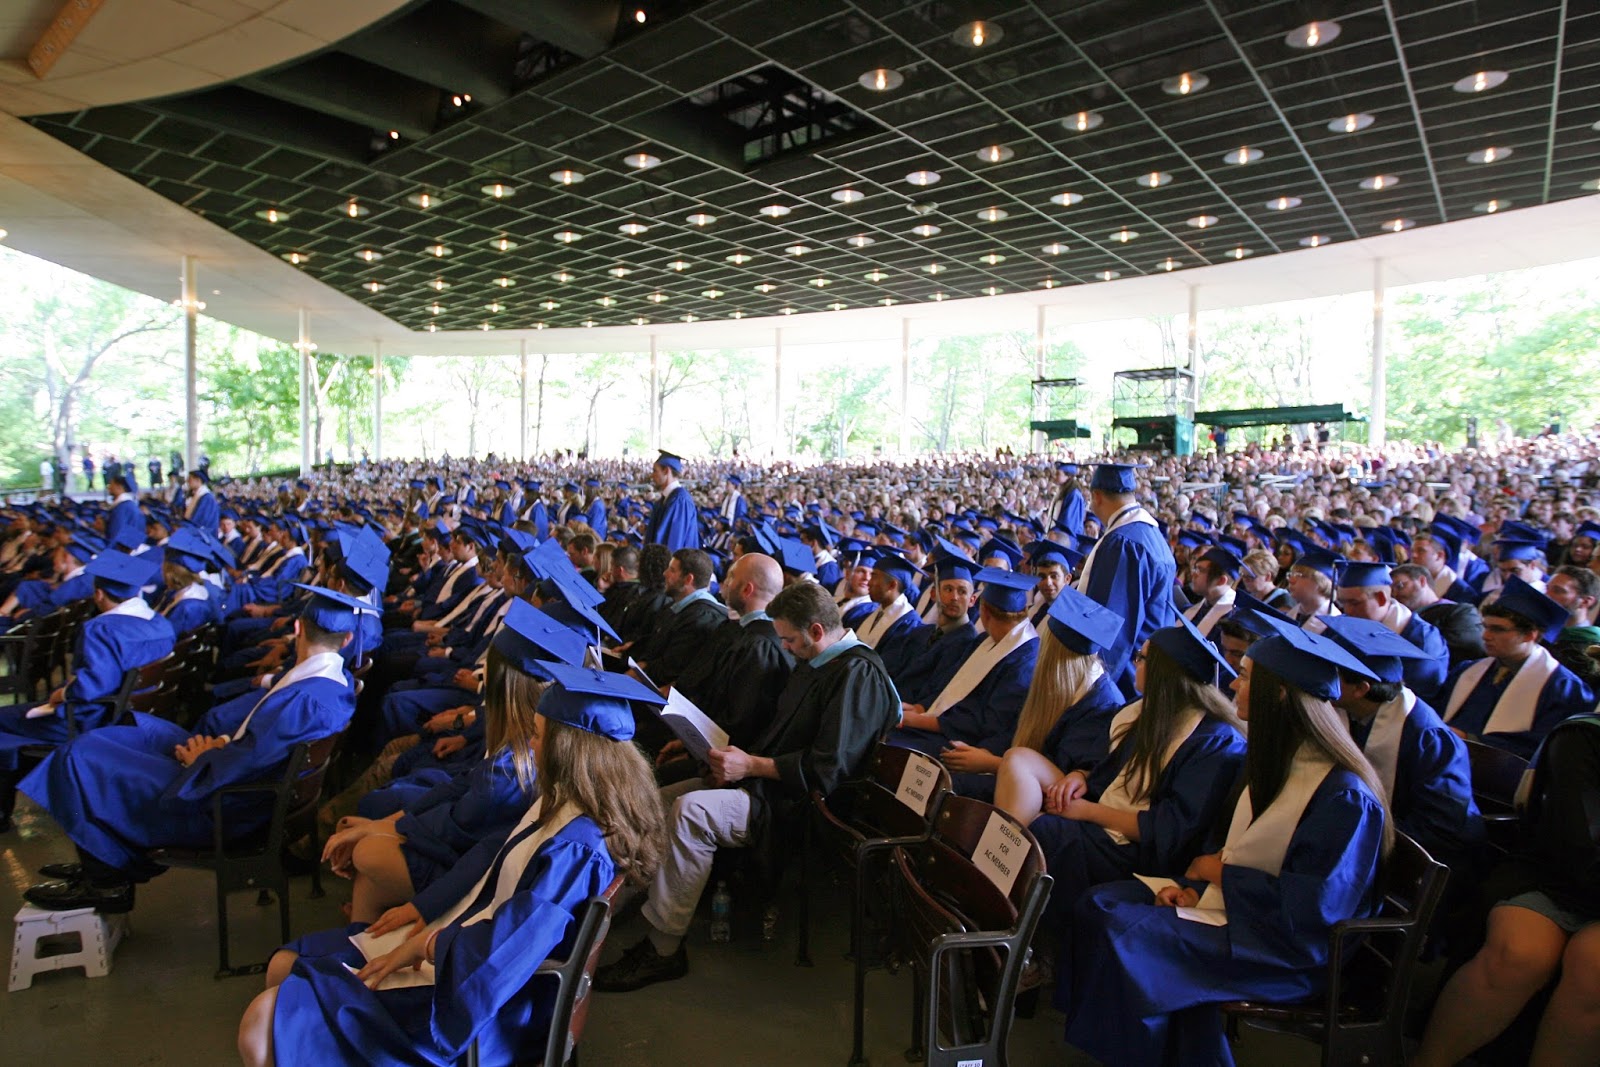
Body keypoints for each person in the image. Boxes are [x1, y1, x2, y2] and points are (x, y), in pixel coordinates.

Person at [237, 662, 667, 1067]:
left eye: (538, 735)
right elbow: (491, 858)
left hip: (484, 1008)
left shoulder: (577, 847)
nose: (530, 743)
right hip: (467, 954)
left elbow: (504, 952)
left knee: (261, 1022)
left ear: (567, 750)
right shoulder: (562, 805)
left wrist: (424, 946)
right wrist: (423, 910)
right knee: (281, 971)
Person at [1058, 625, 1390, 1067]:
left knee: (1129, 934)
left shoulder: (1344, 797)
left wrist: (1219, 877)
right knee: (1100, 904)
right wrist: (1197, 890)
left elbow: (1317, 908)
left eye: (1247, 676)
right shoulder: (1279, 759)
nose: (1233, 684)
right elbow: (1237, 844)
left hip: (1284, 947)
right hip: (1243, 908)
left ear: (1279, 694)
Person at [594, 580, 900, 992]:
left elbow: (828, 770)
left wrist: (750, 765)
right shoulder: (820, 661)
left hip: (805, 805)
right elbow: (779, 735)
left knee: (691, 812)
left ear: (815, 631)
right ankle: (611, 907)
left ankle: (663, 948)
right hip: (770, 785)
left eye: (789, 640)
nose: (785, 648)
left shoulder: (857, 673)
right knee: (659, 800)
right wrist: (723, 757)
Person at [18, 585, 364, 913]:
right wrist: (222, 745)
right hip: (243, 786)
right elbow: (264, 748)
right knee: (127, 734)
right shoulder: (335, 682)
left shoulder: (304, 698)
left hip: (223, 805)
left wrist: (205, 758)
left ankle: (105, 882)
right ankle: (103, 861)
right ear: (347, 639)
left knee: (81, 757)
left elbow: (252, 758)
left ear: (298, 626)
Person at [320, 600, 550, 923]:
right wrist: (388, 824)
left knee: (367, 847)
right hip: (457, 836)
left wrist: (387, 829)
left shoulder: (513, 766)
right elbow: (459, 788)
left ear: (499, 689)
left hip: (468, 870)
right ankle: (362, 927)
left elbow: (455, 826)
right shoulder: (513, 743)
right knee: (372, 833)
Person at [1414, 712, 1600, 1066]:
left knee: (1595, 969)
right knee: (1519, 953)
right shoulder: (1582, 738)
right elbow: (1577, 845)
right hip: (1557, 874)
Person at [0, 550, 177, 832]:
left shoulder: (101, 628)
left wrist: (62, 695)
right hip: (133, 715)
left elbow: (92, 686)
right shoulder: (160, 623)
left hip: (90, 719)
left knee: (4, 720)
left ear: (99, 594)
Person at [1315, 615, 1486, 876]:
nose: (1320, 679)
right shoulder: (1351, 712)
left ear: (1361, 689)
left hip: (1432, 862)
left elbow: (1440, 827)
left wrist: (1351, 832)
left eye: (1331, 673)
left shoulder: (1429, 739)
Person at [944, 587, 1128, 797]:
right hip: (1015, 771)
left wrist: (991, 762)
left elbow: (1062, 772)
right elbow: (1016, 727)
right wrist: (984, 751)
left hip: (1044, 794)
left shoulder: (1101, 704)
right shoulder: (1059, 680)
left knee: (952, 785)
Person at [1438, 577, 1594, 758]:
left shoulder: (1563, 688)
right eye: (1485, 627)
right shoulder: (1467, 671)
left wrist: (1469, 739)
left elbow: (1543, 747)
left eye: (1498, 629)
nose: (1485, 636)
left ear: (1530, 635)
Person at [892, 568, 1040, 759]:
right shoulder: (984, 641)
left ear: (984, 611)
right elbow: (949, 683)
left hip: (971, 745)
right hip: (945, 727)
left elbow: (987, 722)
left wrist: (918, 721)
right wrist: (921, 707)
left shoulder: (1023, 662)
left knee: (890, 743)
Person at [1074, 463, 1177, 698]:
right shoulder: (1150, 534)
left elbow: (1111, 626)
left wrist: (1091, 690)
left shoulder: (1124, 543)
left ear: (1097, 496)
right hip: (1149, 669)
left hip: (1125, 682)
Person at [1328, 560, 1451, 702]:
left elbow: (1416, 698)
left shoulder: (1423, 641)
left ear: (1381, 598)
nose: (1347, 611)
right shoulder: (1346, 625)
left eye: (1355, 603)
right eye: (1343, 603)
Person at [619, 548, 725, 693]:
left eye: (672, 570)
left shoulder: (702, 618)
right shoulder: (678, 606)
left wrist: (637, 671)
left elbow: (671, 668)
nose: (665, 573)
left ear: (688, 579)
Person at [1391, 561, 1486, 668]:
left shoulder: (1460, 612)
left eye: (1400, 586)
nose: (1395, 594)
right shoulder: (1399, 617)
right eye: (1391, 591)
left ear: (1422, 581)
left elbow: (1468, 648)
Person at [851, 550, 925, 678]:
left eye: (874, 576)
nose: (869, 582)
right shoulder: (877, 611)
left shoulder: (908, 625)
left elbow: (888, 669)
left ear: (891, 585)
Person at [644, 451, 699, 551]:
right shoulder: (665, 499)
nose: (652, 475)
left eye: (655, 471)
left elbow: (674, 543)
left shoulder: (680, 501)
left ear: (666, 471)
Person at [1182, 545, 1240, 637]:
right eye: (1195, 568)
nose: (1193, 574)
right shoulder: (1187, 610)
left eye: (1200, 570)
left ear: (1221, 581)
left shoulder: (1230, 625)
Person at [103, 474, 143, 552]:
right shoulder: (130, 505)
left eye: (111, 484)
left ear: (119, 487)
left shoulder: (122, 508)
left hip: (120, 551)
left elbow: (116, 533)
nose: (109, 487)